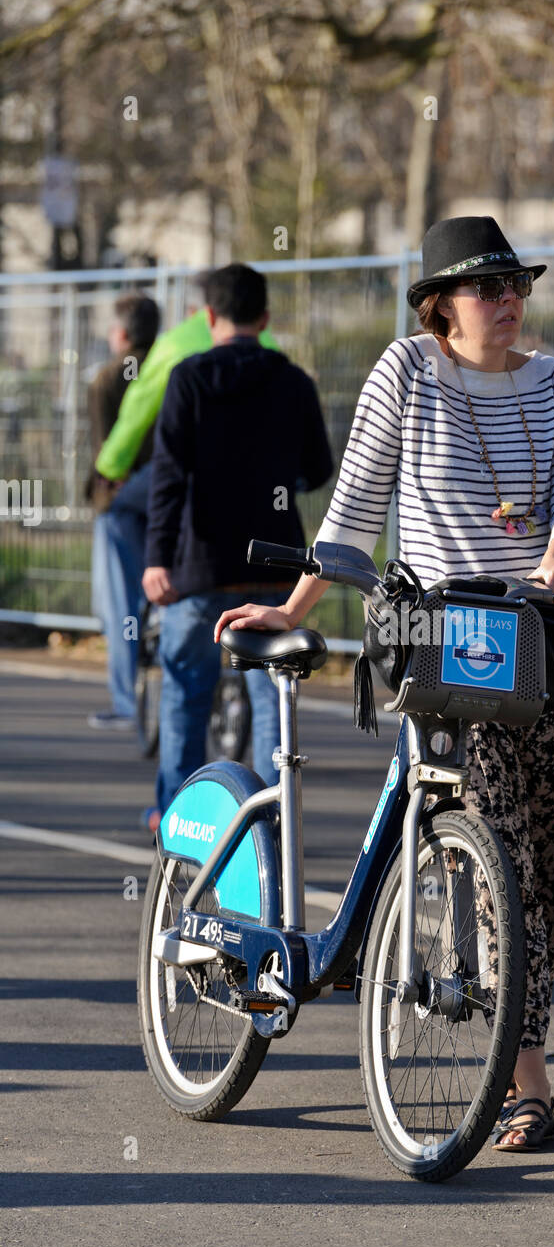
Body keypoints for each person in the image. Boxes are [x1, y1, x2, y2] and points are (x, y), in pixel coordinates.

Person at [214, 216, 554, 1152]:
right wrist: (297, 608)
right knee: (498, 853)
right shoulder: (406, 370)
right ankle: (528, 1081)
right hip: (445, 638)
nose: (508, 302)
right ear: (441, 306)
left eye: (516, 287)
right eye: (487, 289)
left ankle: (521, 1035)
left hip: (548, 639)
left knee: (548, 862)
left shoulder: (550, 381)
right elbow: (353, 503)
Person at [142, 262, 333, 833]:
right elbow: (319, 468)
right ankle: (272, 819)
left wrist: (157, 555)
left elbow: (168, 476)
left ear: (208, 317)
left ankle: (176, 819)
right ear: (266, 317)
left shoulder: (188, 378)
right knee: (274, 700)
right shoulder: (294, 381)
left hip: (198, 570)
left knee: (185, 694)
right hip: (276, 570)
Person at [88, 275, 282, 731]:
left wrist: (109, 471)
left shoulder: (175, 347)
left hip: (188, 483)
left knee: (116, 518)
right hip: (257, 495)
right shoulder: (270, 344)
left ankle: (133, 628)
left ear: (204, 312)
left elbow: (136, 416)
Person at [86, 293, 160, 729]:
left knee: (117, 600)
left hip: (123, 501)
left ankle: (124, 701)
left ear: (123, 332)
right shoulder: (172, 367)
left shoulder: (107, 379)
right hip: (169, 496)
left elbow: (104, 457)